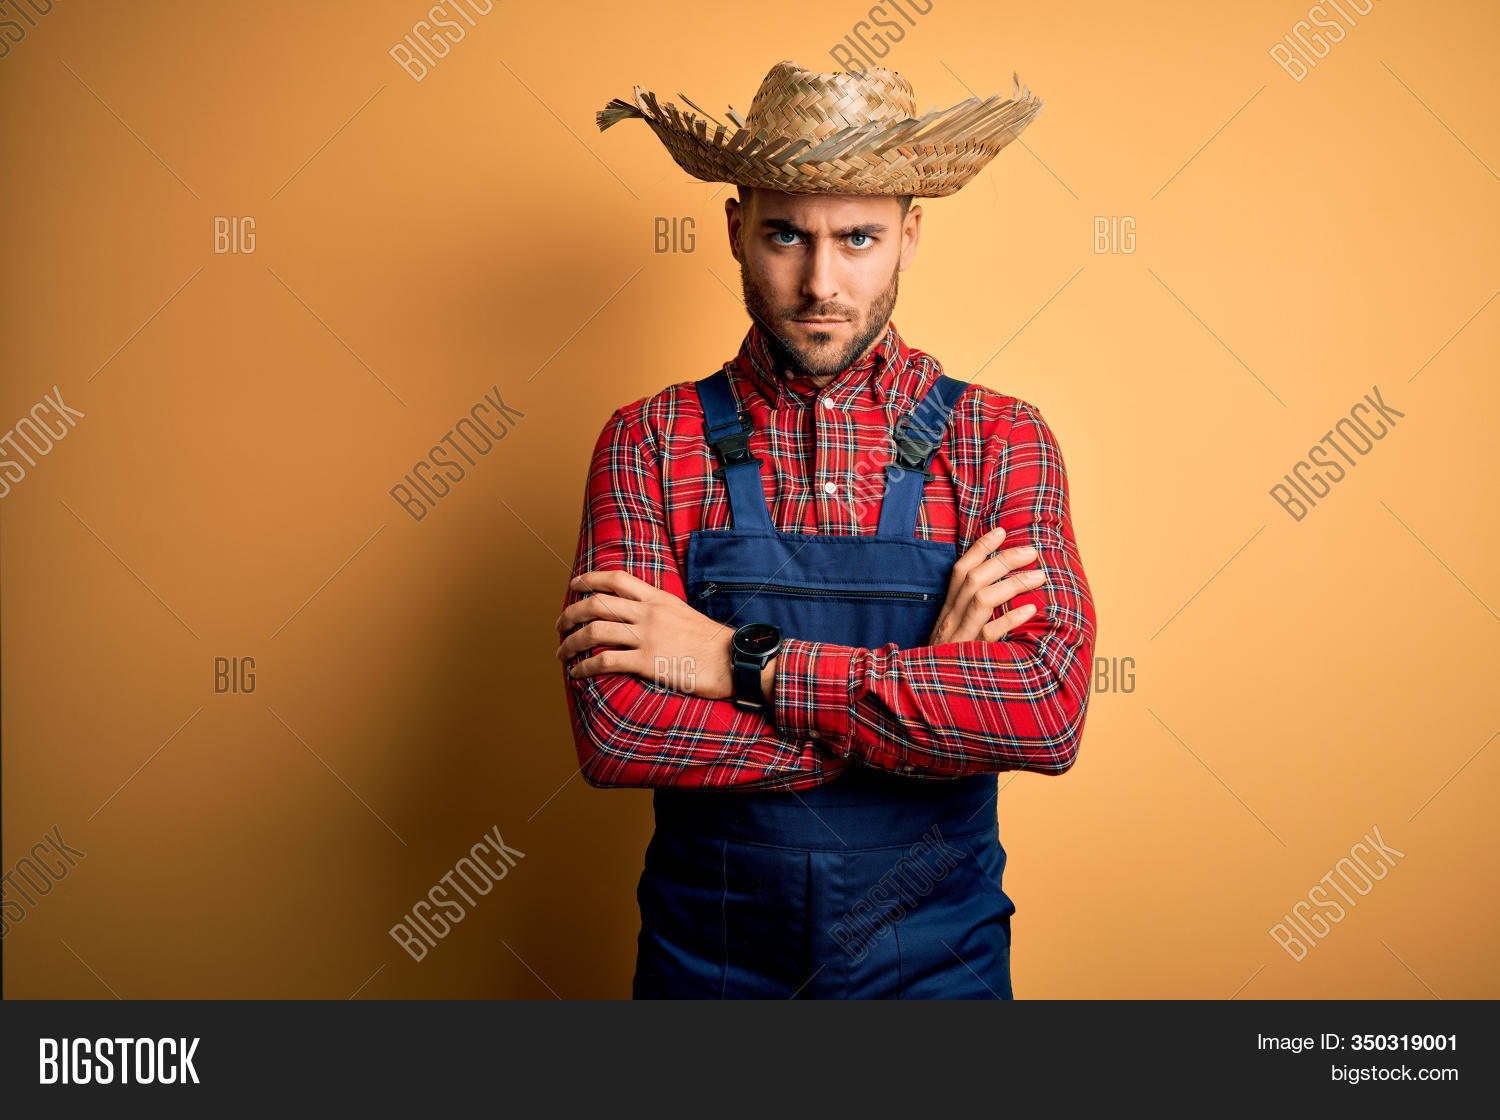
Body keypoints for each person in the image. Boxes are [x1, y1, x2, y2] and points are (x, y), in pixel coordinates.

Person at [556, 60, 1096, 998]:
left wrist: (740, 662)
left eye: (857, 238)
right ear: (734, 229)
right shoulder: (648, 440)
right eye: (784, 235)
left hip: (941, 971)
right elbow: (617, 730)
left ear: (908, 235)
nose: (820, 282)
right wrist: (926, 717)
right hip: (710, 970)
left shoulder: (1002, 440)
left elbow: (1045, 713)